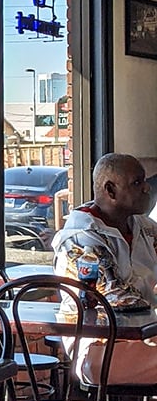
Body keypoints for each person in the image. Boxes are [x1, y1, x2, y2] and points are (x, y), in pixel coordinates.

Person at [52, 152, 157, 384]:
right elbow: (118, 299)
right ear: (110, 190)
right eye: (137, 183)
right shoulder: (81, 238)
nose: (147, 189)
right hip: (98, 348)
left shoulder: (140, 226)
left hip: (143, 338)